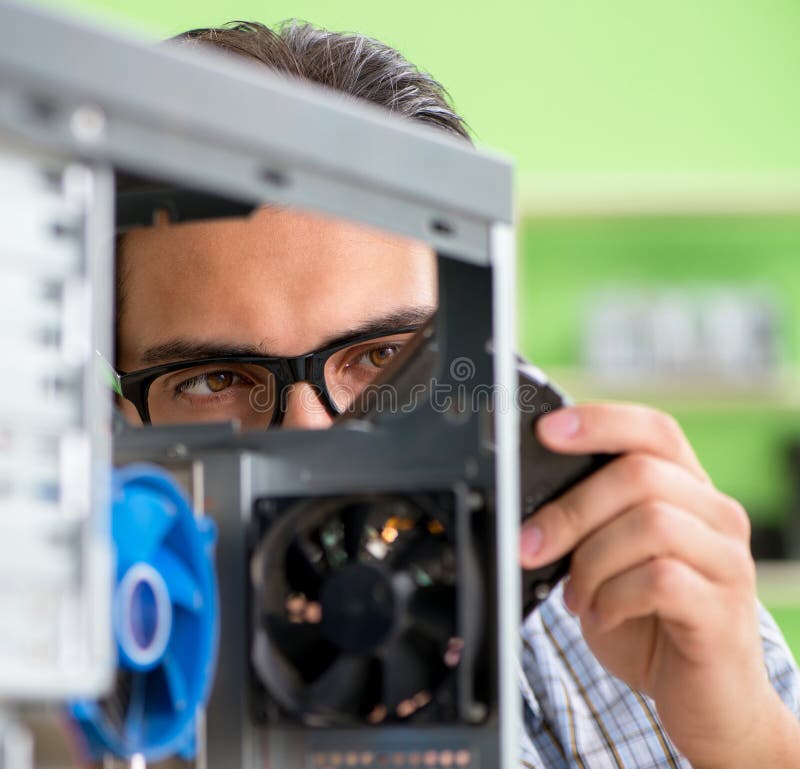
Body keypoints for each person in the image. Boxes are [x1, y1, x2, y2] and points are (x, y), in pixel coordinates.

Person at [114, 20, 800, 768]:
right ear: (115, 421)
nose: (313, 441)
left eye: (382, 358)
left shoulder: (636, 605)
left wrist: (744, 742)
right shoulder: (71, 695)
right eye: (214, 379)